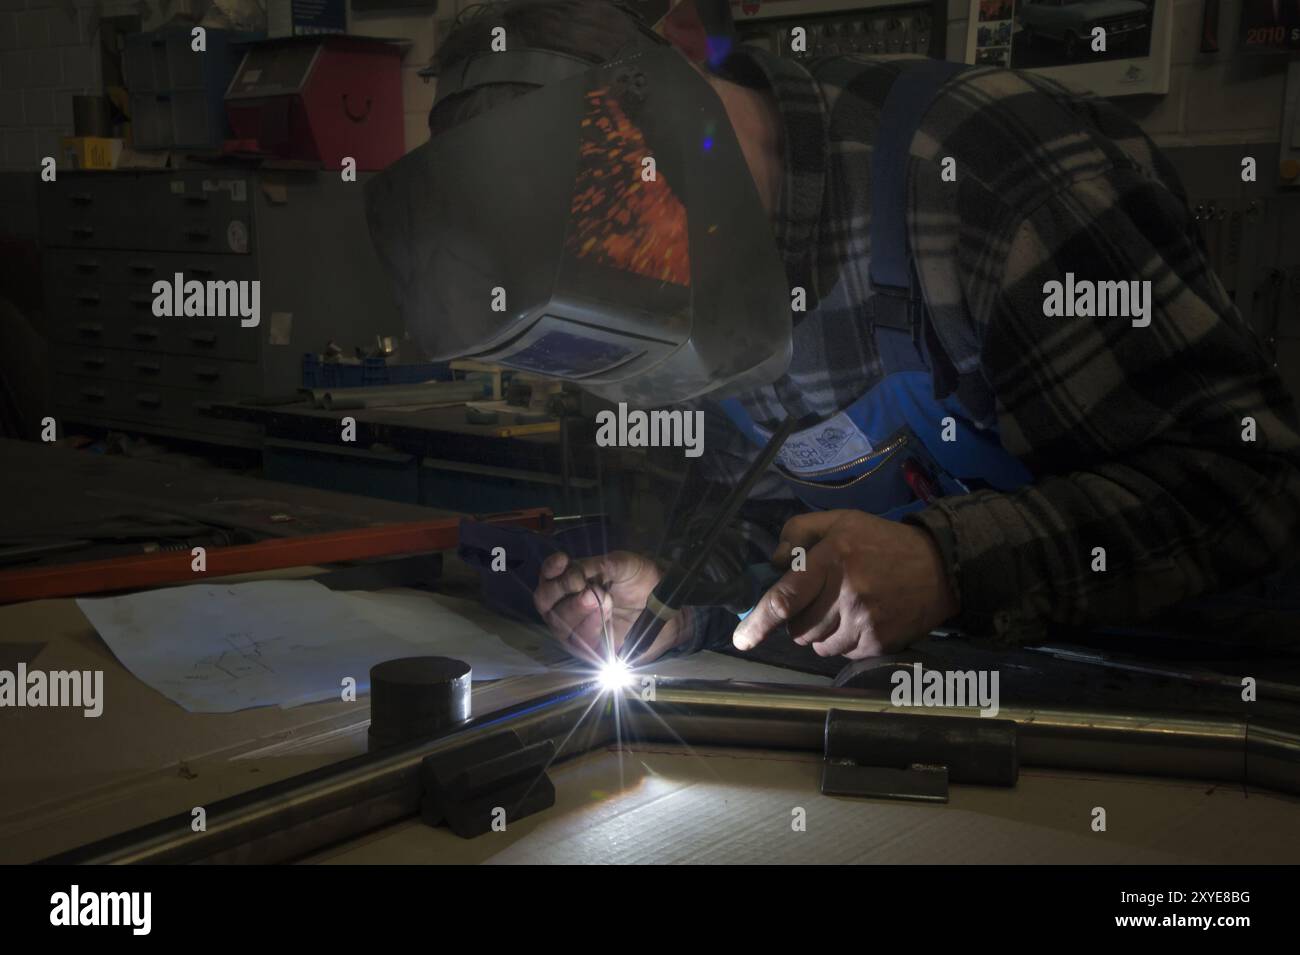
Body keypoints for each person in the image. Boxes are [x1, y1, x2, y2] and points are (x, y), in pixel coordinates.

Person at [368, 0, 1300, 665]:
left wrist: (949, 562)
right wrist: (682, 591)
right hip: (949, 715)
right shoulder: (662, 293)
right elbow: (779, 535)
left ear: (681, 67)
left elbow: (1253, 479)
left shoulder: (987, 175)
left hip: (1200, 699)